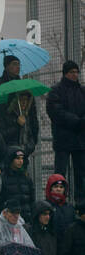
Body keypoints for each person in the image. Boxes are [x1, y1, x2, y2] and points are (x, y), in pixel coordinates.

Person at [47, 61, 85, 200]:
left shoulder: (82, 91)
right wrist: (77, 121)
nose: (75, 75)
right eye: (72, 72)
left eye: (76, 72)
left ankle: (80, 205)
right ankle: (58, 200)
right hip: (63, 140)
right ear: (65, 73)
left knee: (81, 174)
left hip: (80, 140)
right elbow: (56, 112)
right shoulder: (56, 91)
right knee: (60, 174)